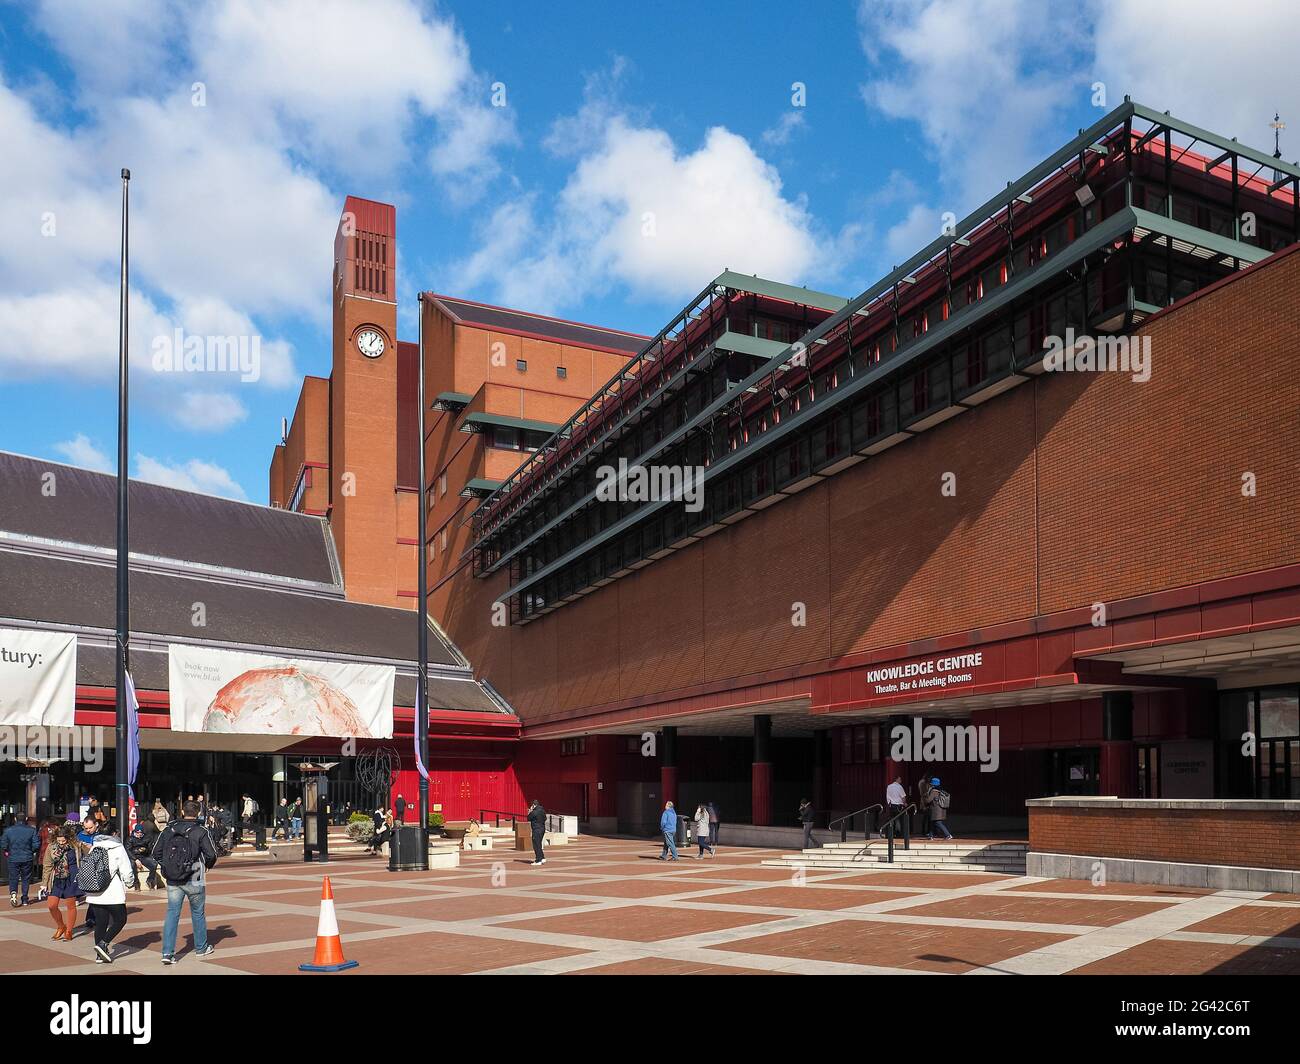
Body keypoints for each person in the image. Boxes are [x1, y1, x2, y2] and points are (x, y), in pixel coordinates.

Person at [155, 799, 219, 964]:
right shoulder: (201, 830)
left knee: (172, 913)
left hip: (173, 877)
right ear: (197, 813)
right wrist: (207, 866)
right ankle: (201, 947)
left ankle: (167, 953)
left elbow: (156, 852)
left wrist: (168, 865)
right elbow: (212, 854)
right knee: (198, 912)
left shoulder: (169, 829)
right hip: (195, 874)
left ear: (182, 812)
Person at [81, 823, 134, 963]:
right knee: (121, 919)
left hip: (95, 892)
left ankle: (100, 955)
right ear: (114, 834)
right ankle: (103, 943)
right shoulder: (118, 847)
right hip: (112, 891)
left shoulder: (95, 846)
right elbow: (126, 869)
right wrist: (130, 883)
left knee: (101, 923)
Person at [42, 824, 87, 940]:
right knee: (52, 905)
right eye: (59, 840)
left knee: (70, 905)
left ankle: (69, 930)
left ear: (68, 838)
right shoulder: (51, 847)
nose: (61, 843)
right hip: (56, 877)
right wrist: (44, 883)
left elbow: (89, 853)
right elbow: (47, 865)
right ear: (55, 838)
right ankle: (61, 926)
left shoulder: (76, 845)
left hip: (72, 876)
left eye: (63, 840)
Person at [2, 815, 40, 907]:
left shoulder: (8, 830)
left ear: (15, 819)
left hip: (13, 857)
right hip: (27, 857)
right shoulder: (32, 830)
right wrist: (31, 851)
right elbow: (36, 844)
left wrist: (6, 851)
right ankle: (25, 899)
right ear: (26, 819)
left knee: (13, 877)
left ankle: (13, 893)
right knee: (25, 878)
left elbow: (3, 843)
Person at [128, 815, 163, 890]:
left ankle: (150, 880)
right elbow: (128, 850)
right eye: (137, 833)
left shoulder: (146, 838)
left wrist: (145, 850)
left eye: (140, 833)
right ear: (135, 831)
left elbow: (149, 848)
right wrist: (136, 858)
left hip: (143, 856)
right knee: (132, 865)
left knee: (154, 864)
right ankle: (136, 883)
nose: (139, 834)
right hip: (133, 856)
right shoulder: (130, 839)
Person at [526, 799, 547, 866]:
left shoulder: (534, 812)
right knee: (539, 844)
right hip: (542, 829)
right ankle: (542, 857)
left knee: (536, 845)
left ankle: (538, 860)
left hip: (536, 830)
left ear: (533, 805)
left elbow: (528, 818)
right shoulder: (542, 810)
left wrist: (530, 811)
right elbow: (545, 818)